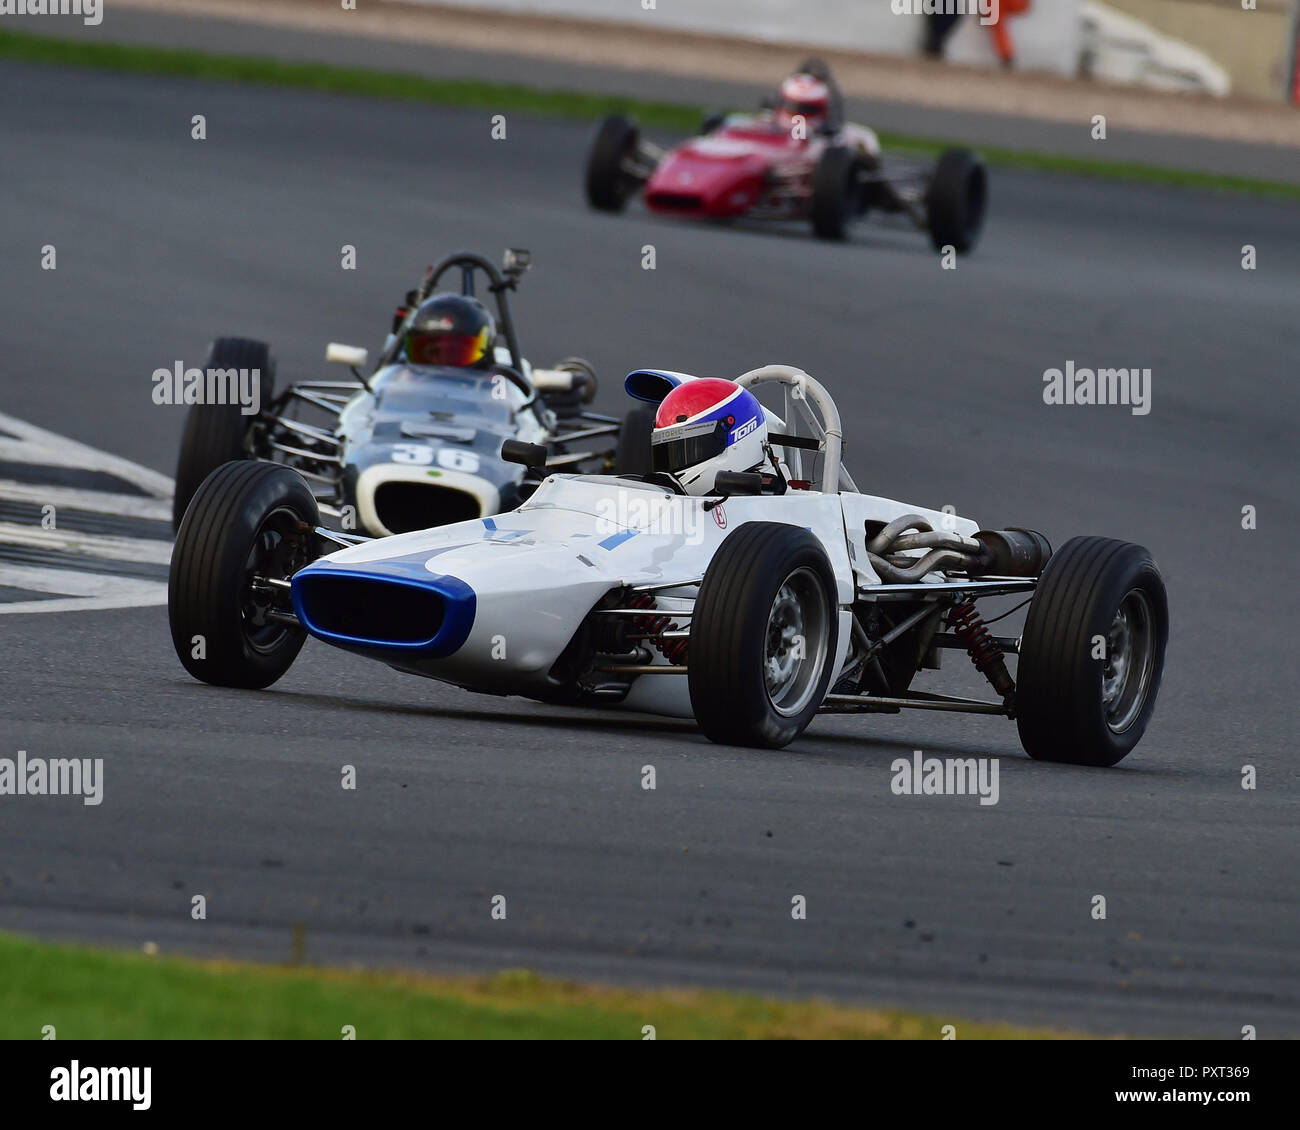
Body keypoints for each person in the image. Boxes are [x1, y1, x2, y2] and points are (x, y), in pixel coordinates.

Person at [649, 378, 770, 495]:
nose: (675, 462)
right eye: (669, 450)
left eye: (691, 448)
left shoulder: (768, 510)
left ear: (741, 434)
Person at [402, 293, 496, 368]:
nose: (440, 369)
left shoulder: (498, 386)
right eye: (432, 353)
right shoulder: (396, 381)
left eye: (454, 353)